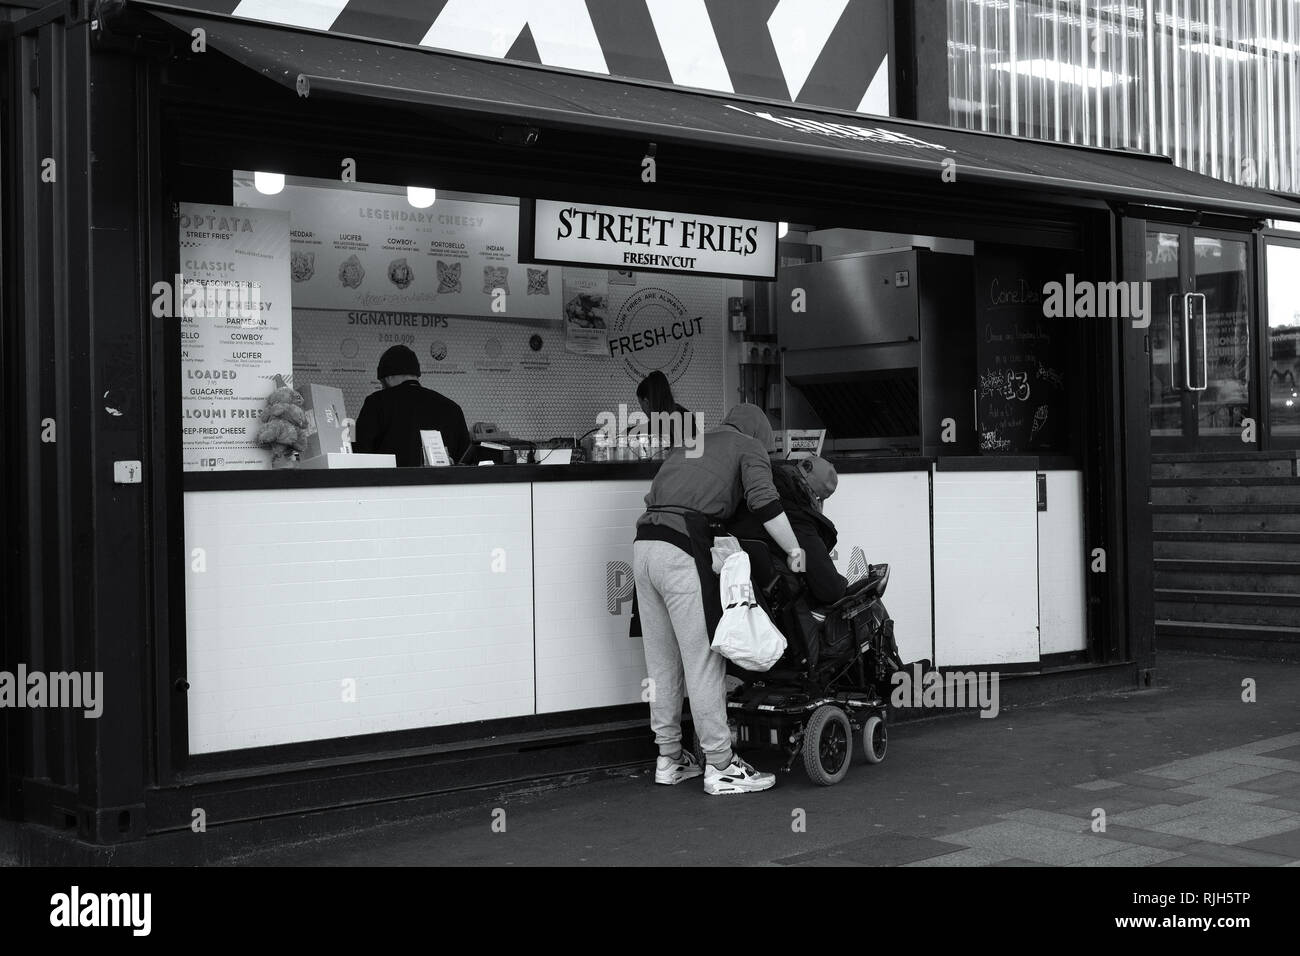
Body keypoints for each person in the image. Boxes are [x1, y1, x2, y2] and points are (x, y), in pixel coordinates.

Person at [632, 403, 804, 796]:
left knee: (661, 663)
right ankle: (721, 765)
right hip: (682, 550)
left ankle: (670, 758)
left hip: (644, 548)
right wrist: (794, 548)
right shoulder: (750, 447)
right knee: (704, 659)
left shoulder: (689, 443)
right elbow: (764, 502)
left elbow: (658, 495)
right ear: (762, 436)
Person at [730, 455, 847, 607]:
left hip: (734, 597)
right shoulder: (798, 518)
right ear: (816, 499)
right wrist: (844, 584)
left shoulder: (751, 490)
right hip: (772, 613)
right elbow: (829, 589)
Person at [352, 345, 471, 466]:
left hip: (389, 482)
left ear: (387, 378)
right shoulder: (451, 408)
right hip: (439, 483)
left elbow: (359, 452)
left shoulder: (376, 402)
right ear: (416, 375)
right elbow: (466, 461)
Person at [632, 370, 699, 450]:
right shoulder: (687, 417)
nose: (643, 410)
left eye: (641, 405)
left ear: (646, 402)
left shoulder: (653, 427)